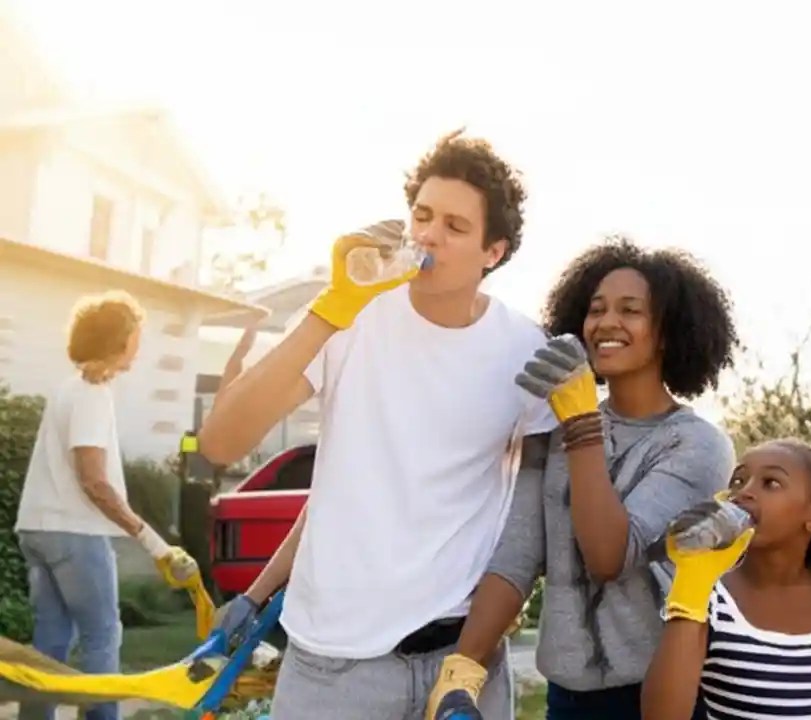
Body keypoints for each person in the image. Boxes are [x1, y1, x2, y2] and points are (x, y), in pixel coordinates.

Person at [198, 130, 557, 720]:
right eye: (422, 215)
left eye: (455, 226)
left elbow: (528, 520)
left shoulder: (524, 350)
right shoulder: (353, 317)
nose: (428, 236)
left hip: (462, 667)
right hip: (336, 668)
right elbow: (222, 442)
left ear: (493, 252)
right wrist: (330, 309)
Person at [424, 237, 739, 719]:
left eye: (630, 310)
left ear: (669, 332)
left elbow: (609, 555)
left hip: (656, 697)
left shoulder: (696, 445)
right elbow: (520, 552)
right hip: (567, 700)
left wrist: (581, 425)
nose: (606, 323)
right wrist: (463, 669)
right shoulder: (554, 430)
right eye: (596, 309)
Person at [14, 290, 199, 720]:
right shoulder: (93, 395)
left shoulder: (69, 388)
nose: (140, 343)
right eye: (136, 335)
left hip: (38, 529)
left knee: (52, 639)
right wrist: (152, 542)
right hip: (75, 534)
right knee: (102, 637)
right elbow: (94, 480)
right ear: (119, 341)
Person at [641, 438, 811, 720]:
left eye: (771, 483)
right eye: (738, 481)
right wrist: (691, 585)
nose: (744, 493)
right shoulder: (709, 598)